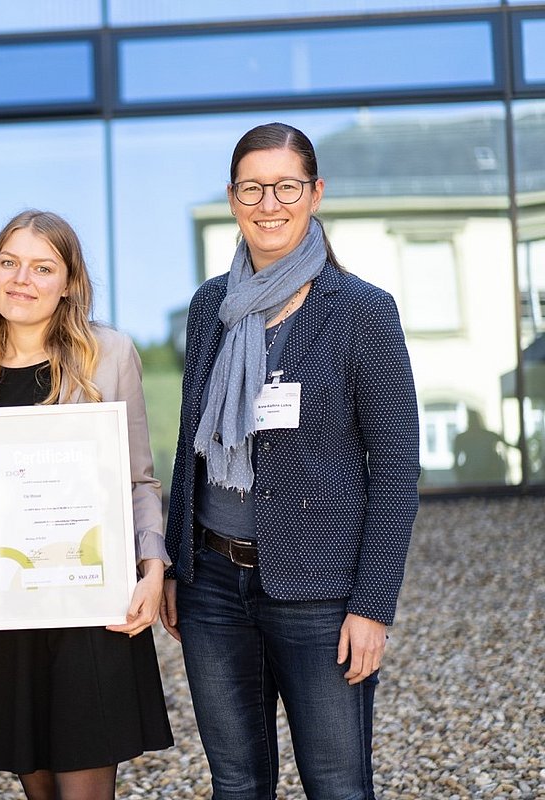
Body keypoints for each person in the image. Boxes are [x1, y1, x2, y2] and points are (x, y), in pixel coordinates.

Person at [162, 122, 420, 800]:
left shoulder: (361, 311)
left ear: (314, 193)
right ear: (232, 196)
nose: (268, 203)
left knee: (337, 784)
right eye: (252, 187)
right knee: (237, 783)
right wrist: (173, 561)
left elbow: (396, 471)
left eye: (285, 186)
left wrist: (373, 606)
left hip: (321, 592)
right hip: (212, 587)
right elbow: (190, 441)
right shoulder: (209, 306)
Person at [0, 210, 173, 800]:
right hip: (8, 603)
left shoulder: (109, 354)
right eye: (9, 263)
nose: (22, 279)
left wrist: (152, 570)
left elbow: (138, 480)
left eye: (43, 267)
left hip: (90, 600)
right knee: (38, 789)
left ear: (69, 282)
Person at [453, 408, 507, 484]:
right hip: (474, 475)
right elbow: (455, 462)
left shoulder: (462, 438)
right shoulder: (489, 435)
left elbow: (455, 462)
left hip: (485, 475)